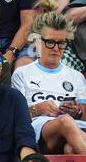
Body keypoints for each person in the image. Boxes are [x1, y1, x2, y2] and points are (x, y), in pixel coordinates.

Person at [10, 9, 86, 154]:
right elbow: (14, 115)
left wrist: (75, 112)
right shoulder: (22, 73)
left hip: (74, 131)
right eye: (50, 42)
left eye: (61, 43)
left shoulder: (76, 76)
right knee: (65, 121)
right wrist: (37, 109)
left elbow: (83, 117)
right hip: (40, 134)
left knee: (70, 149)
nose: (56, 49)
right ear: (37, 41)